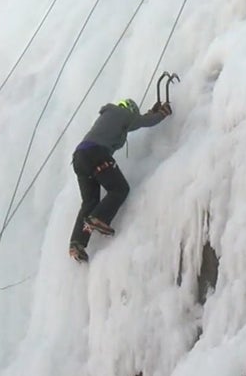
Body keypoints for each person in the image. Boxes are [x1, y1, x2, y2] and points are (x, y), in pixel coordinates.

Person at [68, 97, 171, 262]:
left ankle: (77, 243)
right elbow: (143, 122)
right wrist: (161, 114)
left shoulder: (108, 115)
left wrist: (150, 113)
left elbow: (138, 121)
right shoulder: (122, 113)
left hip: (79, 158)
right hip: (96, 153)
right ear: (130, 110)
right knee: (119, 189)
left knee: (90, 202)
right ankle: (99, 218)